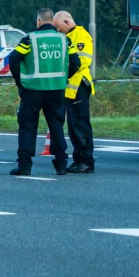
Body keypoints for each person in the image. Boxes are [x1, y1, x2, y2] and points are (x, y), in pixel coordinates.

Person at [7, 8, 81, 176]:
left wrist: (21, 81)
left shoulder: (30, 39)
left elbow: (13, 58)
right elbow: (76, 62)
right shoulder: (64, 40)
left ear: (38, 21)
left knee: (27, 127)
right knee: (56, 127)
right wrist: (64, 78)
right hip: (56, 89)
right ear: (52, 22)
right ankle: (61, 164)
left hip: (32, 90)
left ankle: (24, 166)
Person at [54, 11, 95, 173]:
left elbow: (81, 61)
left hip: (79, 87)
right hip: (70, 89)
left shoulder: (81, 36)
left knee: (81, 125)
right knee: (73, 127)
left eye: (58, 27)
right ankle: (78, 159)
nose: (57, 30)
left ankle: (86, 161)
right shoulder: (68, 36)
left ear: (67, 21)